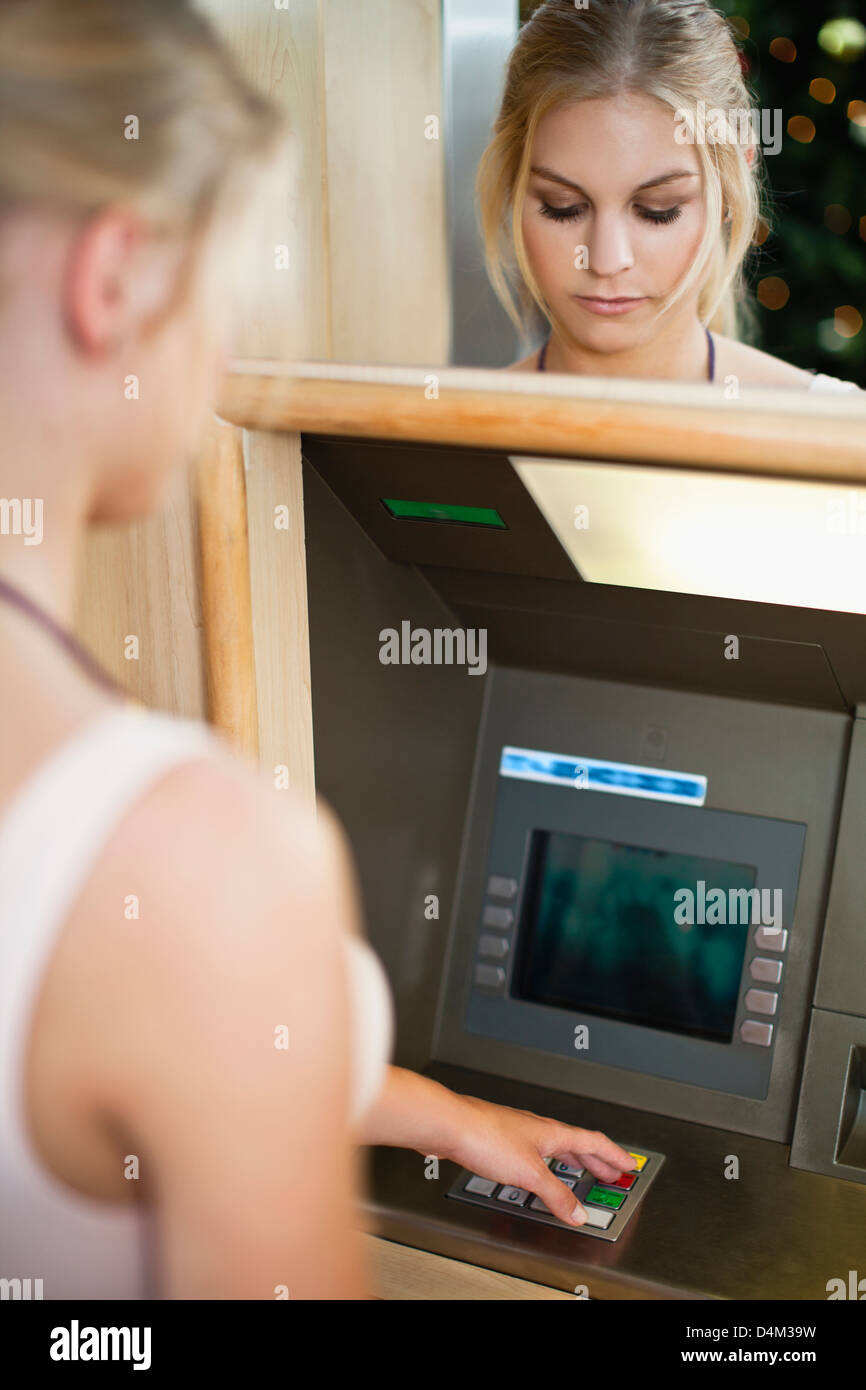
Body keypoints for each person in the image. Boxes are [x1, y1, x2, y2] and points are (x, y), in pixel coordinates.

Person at [0, 0, 632, 1300]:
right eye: (220, 285)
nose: (224, 355)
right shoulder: (196, 856)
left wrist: (448, 1116)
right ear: (113, 278)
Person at [478, 0, 862, 394]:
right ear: (513, 181)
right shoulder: (443, 436)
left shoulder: (836, 432)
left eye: (657, 211)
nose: (606, 261)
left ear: (729, 188)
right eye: (562, 208)